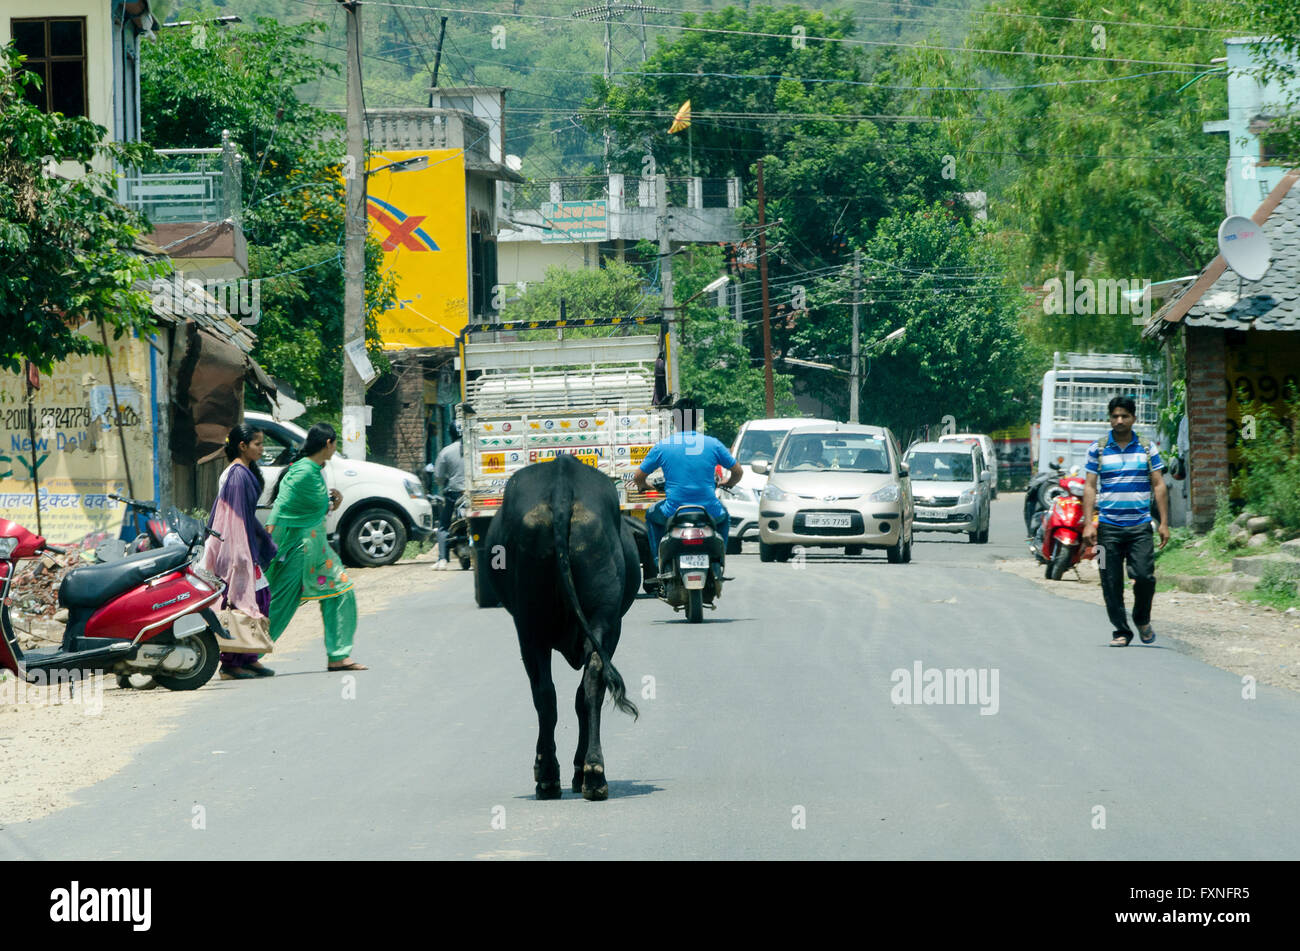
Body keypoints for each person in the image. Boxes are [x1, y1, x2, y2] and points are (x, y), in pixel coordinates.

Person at [265, 423, 367, 671]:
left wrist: (332, 501)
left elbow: (313, 506)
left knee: (340, 591)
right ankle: (243, 657)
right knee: (279, 606)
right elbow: (280, 508)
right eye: (335, 444)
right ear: (329, 443)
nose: (335, 450)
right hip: (301, 551)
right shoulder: (303, 472)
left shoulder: (315, 469)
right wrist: (267, 547)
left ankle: (338, 655)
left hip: (317, 551)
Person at [1082, 395, 1170, 647]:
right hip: (1107, 528)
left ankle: (1141, 618)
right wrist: (1089, 523)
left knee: (1144, 577)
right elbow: (1089, 486)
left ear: (1134, 418)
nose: (1119, 421)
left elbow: (1159, 484)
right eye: (1115, 416)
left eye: (1124, 416)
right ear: (1109, 418)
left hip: (1140, 526)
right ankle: (1121, 630)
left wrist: (1163, 523)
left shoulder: (1146, 447)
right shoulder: (1097, 448)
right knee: (1109, 581)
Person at [633, 398, 744, 574]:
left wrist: (646, 486)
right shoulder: (713, 444)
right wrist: (728, 482)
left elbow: (638, 477)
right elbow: (737, 472)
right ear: (697, 420)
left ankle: (657, 561)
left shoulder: (663, 446)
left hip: (673, 511)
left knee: (651, 515)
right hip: (709, 511)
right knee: (725, 516)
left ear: (674, 420)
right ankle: (719, 558)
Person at [205, 423, 278, 680]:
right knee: (241, 602)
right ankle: (230, 663)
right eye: (257, 444)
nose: (261, 448)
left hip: (243, 544)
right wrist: (242, 553)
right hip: (236, 547)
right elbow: (234, 518)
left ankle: (248, 657)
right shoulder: (237, 475)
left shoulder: (244, 472)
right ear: (243, 446)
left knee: (256, 598)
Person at [431, 421, 465, 571]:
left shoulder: (445, 452)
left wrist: (444, 481)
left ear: (451, 433)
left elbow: (438, 477)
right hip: (476, 493)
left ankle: (442, 559)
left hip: (454, 494)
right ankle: (498, 560)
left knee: (443, 526)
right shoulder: (476, 448)